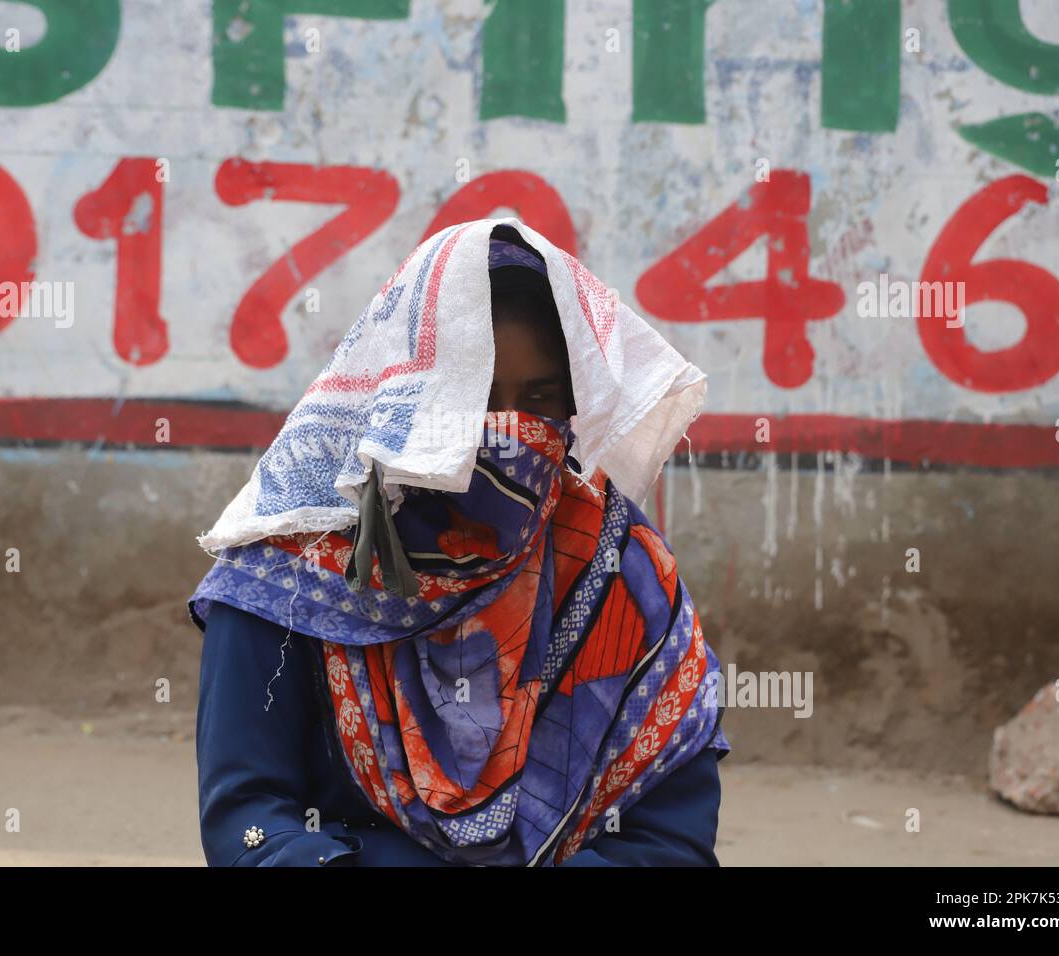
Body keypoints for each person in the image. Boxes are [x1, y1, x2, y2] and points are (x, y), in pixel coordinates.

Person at [189, 219, 729, 866]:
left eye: (539, 401)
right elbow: (248, 818)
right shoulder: (288, 570)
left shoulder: (621, 571)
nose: (506, 434)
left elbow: (670, 843)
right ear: (409, 406)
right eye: (472, 404)